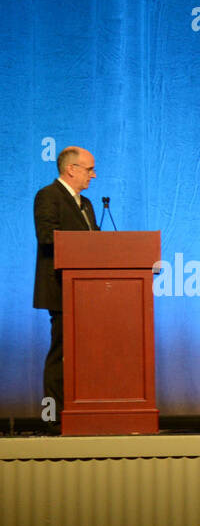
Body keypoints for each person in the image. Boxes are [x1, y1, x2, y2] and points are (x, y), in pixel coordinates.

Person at [34, 146, 99, 422]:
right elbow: (47, 237)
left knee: (85, 355)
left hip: (86, 292)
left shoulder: (86, 204)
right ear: (71, 169)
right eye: (89, 169)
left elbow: (97, 244)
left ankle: (80, 411)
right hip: (61, 288)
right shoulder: (48, 196)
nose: (93, 176)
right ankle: (52, 417)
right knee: (59, 353)